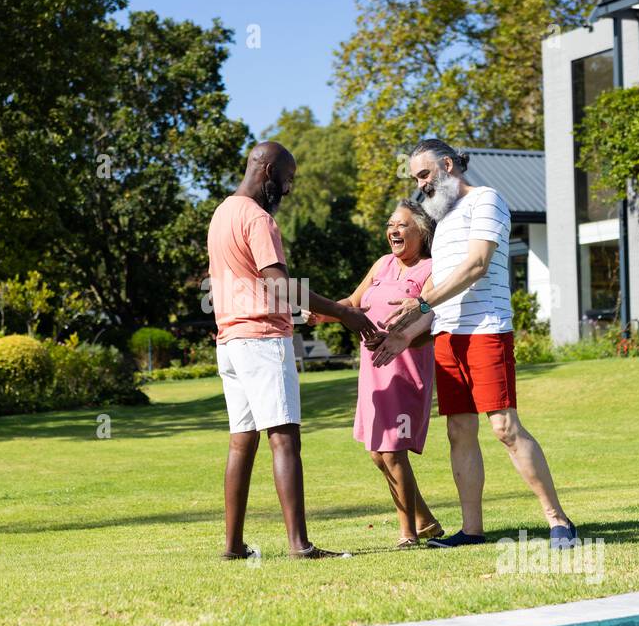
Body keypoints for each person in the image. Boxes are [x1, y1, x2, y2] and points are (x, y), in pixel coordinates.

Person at [373, 138, 578, 549]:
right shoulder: (443, 220)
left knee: (504, 427)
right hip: (449, 336)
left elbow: (477, 264)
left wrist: (423, 300)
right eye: (416, 178)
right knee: (459, 430)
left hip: (486, 330)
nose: (422, 185)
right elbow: (438, 289)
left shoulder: (487, 199)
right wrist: (406, 334)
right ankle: (472, 530)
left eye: (425, 174)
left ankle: (559, 521)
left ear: (448, 165)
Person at [207, 141, 377, 560]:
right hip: (263, 340)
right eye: (287, 180)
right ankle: (299, 546)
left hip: (230, 342)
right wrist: (342, 312)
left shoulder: (222, 213)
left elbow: (254, 286)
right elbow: (278, 286)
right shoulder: (257, 219)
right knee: (284, 440)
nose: (287, 190)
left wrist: (310, 312)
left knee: (240, 443)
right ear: (267, 171)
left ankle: (232, 547)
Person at [310, 200, 444, 548]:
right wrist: (321, 313)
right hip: (373, 369)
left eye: (402, 225)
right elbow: (352, 304)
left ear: (421, 231)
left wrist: (404, 338)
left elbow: (432, 318)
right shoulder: (382, 265)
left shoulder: (432, 269)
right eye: (390, 225)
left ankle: (408, 535)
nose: (393, 231)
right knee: (376, 451)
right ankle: (425, 519)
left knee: (393, 450)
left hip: (406, 366)